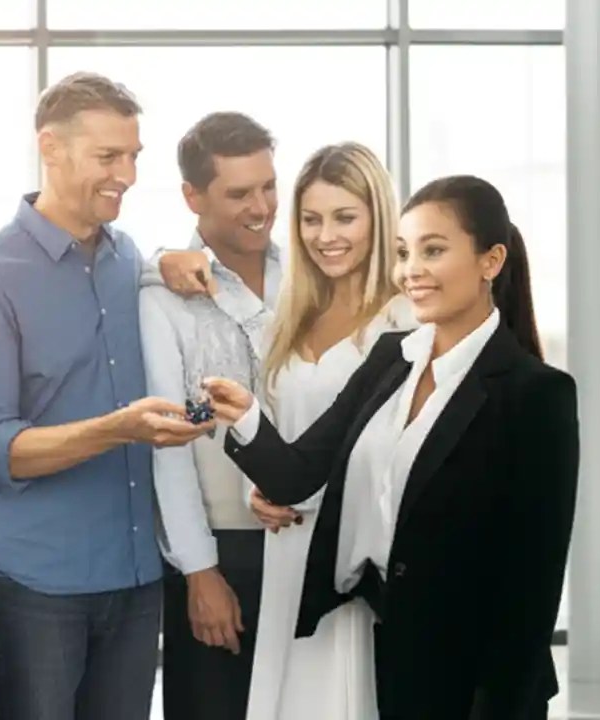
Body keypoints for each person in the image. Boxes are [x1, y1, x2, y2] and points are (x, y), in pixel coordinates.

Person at [203, 174, 579, 719]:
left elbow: (533, 584)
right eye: (404, 252)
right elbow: (298, 473)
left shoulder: (535, 394)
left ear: (491, 261)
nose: (411, 271)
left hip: (472, 679)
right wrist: (244, 415)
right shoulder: (391, 358)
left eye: (434, 250)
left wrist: (498, 704)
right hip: (391, 653)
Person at [0, 71, 214, 720]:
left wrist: (174, 254)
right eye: (107, 157)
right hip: (37, 590)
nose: (125, 173)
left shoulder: (130, 261)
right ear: (51, 149)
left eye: (133, 157)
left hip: (136, 582)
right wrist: (117, 428)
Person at [243, 142, 415, 720]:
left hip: (352, 553)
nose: (326, 235)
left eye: (345, 216)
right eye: (312, 219)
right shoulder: (286, 321)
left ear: (378, 218)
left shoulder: (404, 321)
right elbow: (281, 434)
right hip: (286, 545)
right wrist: (260, 490)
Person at [138, 111, 282, 720]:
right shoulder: (160, 297)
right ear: (193, 196)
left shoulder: (306, 275)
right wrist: (200, 572)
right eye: (240, 193)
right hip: (221, 552)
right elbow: (166, 445)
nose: (261, 207)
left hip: (308, 543)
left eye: (270, 186)